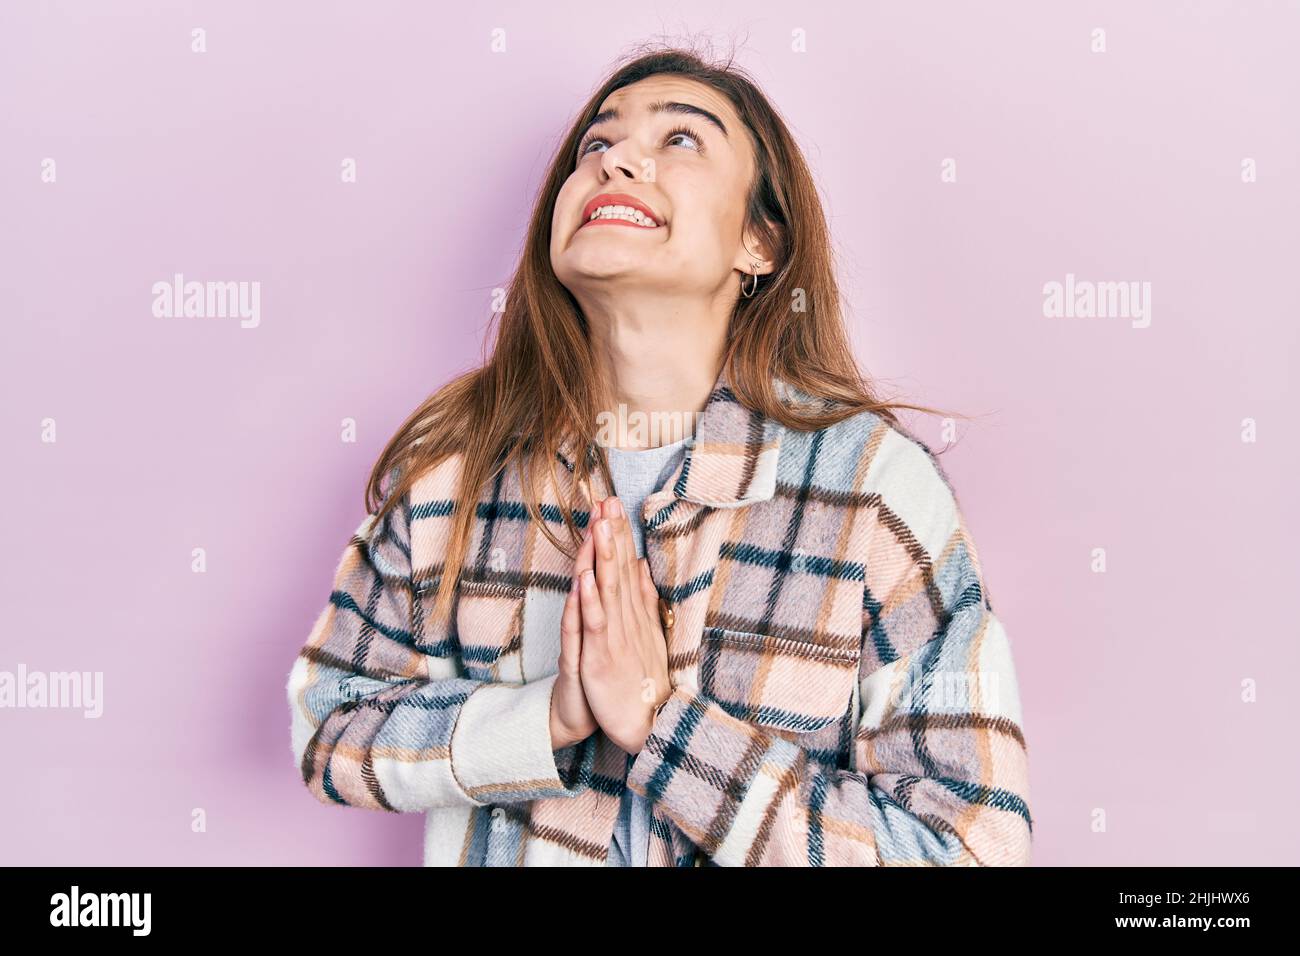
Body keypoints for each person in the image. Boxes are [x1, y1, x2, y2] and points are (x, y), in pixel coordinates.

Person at [285, 45, 1033, 866]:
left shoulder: (873, 487)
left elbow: (966, 845)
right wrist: (547, 720)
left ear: (760, 242)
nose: (617, 159)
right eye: (594, 147)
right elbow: (330, 719)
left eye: (681, 140)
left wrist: (661, 727)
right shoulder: (454, 472)